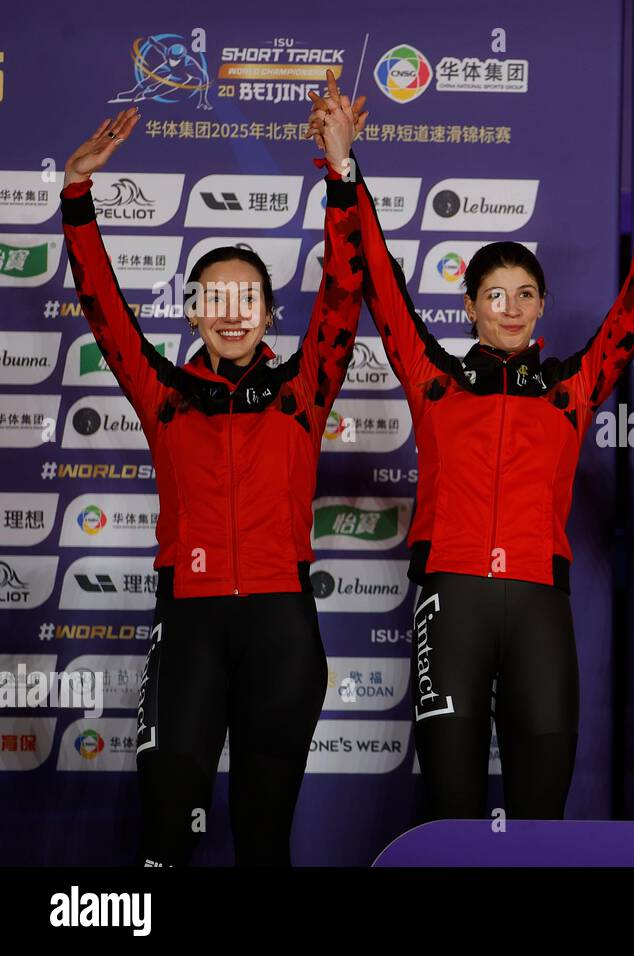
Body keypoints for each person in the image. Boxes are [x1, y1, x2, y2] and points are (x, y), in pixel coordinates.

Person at [308, 75, 634, 819]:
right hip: (450, 599)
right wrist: (344, 167)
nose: (512, 307)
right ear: (469, 308)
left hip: (537, 605)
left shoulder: (570, 386)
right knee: (451, 808)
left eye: (527, 293)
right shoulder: (432, 375)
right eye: (496, 294)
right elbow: (378, 278)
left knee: (540, 816)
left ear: (543, 306)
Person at [61, 100, 362, 864]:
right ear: (194, 312)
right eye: (215, 299)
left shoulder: (301, 390)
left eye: (247, 298)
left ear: (267, 312)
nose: (232, 314)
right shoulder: (164, 393)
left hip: (281, 630)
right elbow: (105, 315)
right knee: (167, 834)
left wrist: (341, 175)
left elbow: (346, 294)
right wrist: (76, 198)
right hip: (189, 626)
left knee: (264, 841)